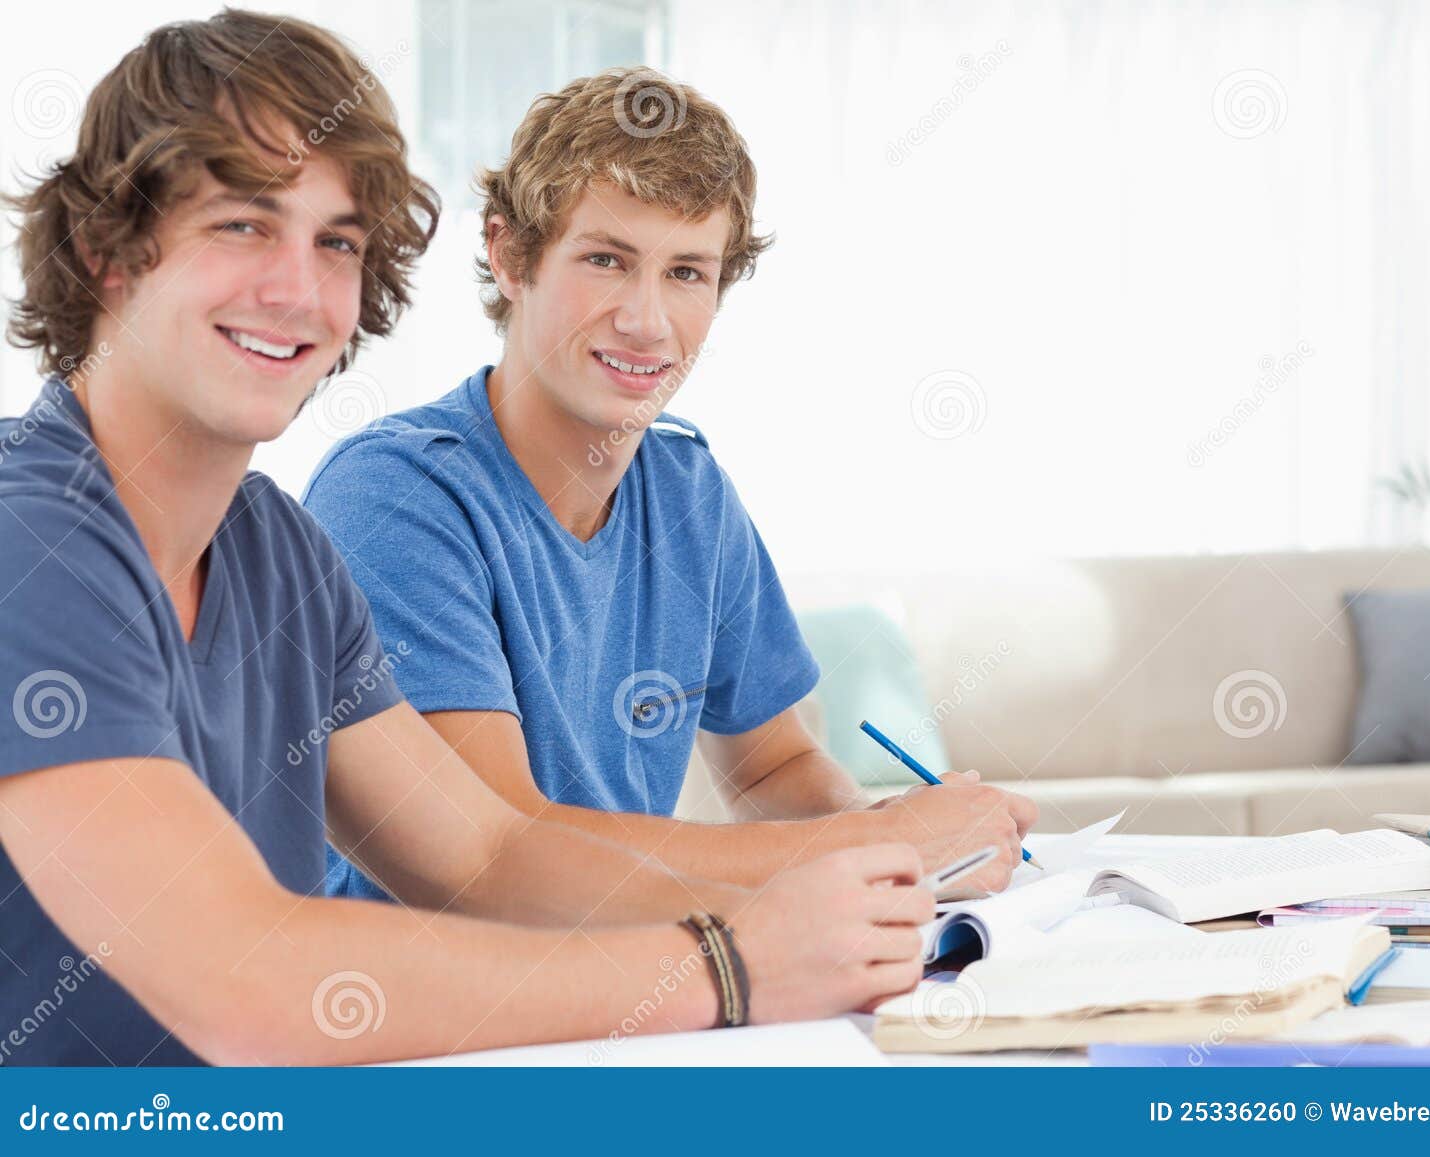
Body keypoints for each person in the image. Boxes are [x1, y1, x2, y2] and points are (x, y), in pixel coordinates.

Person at [0, 11, 931, 1067]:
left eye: (336, 242)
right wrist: (729, 966)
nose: (297, 289)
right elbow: (247, 977)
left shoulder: (277, 553)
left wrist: (821, 893)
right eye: (242, 226)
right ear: (105, 252)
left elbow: (488, 855)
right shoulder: (29, 538)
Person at [305, 68, 1038, 904]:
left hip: (628, 960)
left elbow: (772, 767)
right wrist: (880, 840)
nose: (647, 321)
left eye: (687, 272)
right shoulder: (396, 497)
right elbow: (503, 854)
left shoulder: (692, 496)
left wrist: (909, 845)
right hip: (435, 980)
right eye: (605, 260)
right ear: (508, 255)